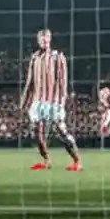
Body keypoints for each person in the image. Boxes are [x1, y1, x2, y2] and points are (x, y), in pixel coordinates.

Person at [21, 29, 81, 171]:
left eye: (46, 38)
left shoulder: (57, 57)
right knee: (38, 133)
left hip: (53, 101)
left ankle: (77, 161)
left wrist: (62, 99)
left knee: (61, 131)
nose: (44, 41)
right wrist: (24, 101)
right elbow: (30, 81)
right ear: (38, 40)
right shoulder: (34, 57)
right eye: (42, 39)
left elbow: (63, 80)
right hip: (38, 101)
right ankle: (46, 161)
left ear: (50, 39)